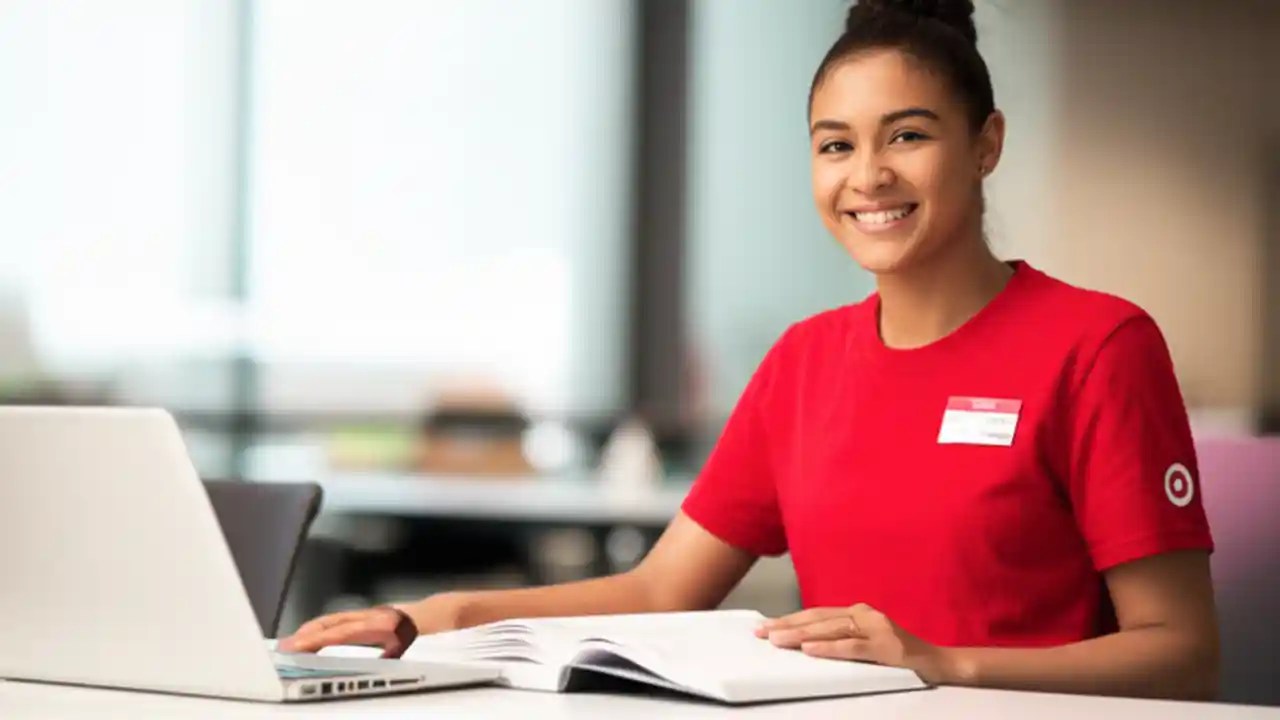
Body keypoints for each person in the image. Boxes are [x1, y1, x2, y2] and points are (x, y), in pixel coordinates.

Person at [281, 0, 1218, 700]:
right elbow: (659, 588)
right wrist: (434, 619)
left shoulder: (1098, 344)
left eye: (909, 136)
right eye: (835, 145)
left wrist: (941, 666)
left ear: (986, 146)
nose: (869, 177)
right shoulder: (805, 362)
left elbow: (1183, 655)